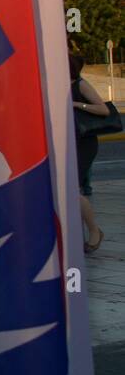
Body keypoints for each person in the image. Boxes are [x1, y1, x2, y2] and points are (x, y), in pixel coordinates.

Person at [71, 53, 109, 253]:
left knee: (72, 188)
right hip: (65, 142)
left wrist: (78, 104)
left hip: (83, 142)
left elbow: (103, 110)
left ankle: (94, 231)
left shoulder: (80, 85)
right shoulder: (55, 84)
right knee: (66, 189)